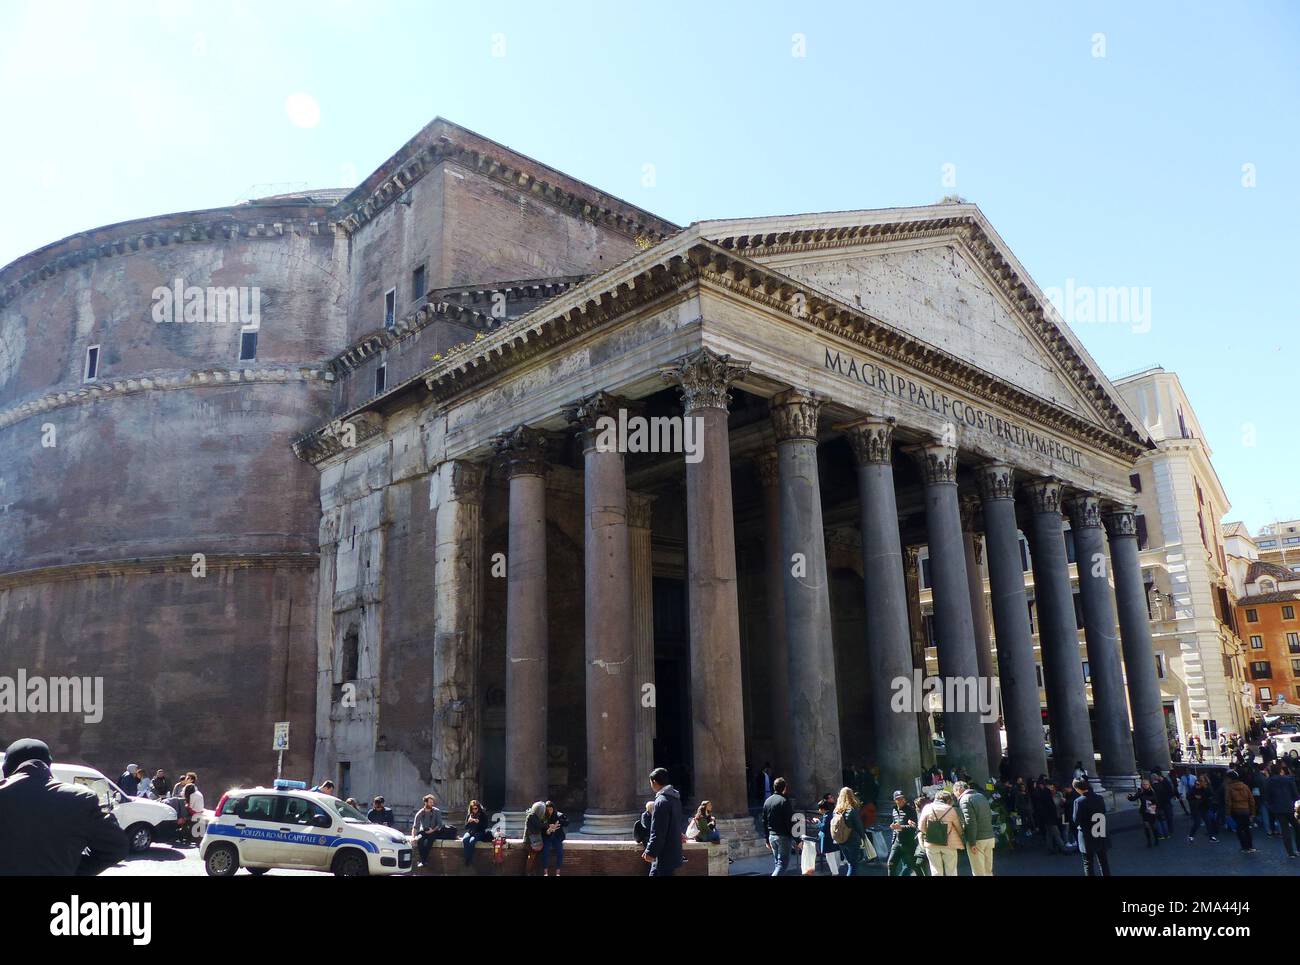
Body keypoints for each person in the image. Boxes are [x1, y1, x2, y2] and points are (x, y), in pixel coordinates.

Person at [0, 738, 128, 875]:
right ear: (48, 764)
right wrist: (72, 868)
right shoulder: (82, 799)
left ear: (8, 767)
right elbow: (116, 848)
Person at [642, 767, 683, 876]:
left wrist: (650, 852)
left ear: (654, 782)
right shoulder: (675, 799)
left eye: (650, 782)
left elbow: (658, 831)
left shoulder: (660, 802)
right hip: (674, 853)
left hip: (662, 856)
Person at [918, 789, 964, 876]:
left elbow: (921, 827)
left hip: (931, 843)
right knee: (951, 871)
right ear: (948, 800)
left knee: (935, 870)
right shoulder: (950, 809)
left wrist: (932, 833)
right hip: (949, 844)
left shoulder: (927, 808)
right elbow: (959, 828)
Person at [955, 781, 996, 875]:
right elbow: (989, 815)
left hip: (977, 839)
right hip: (989, 836)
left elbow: (970, 822)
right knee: (988, 870)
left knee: (979, 871)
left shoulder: (965, 800)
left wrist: (972, 842)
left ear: (959, 790)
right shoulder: (981, 796)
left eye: (955, 793)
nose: (955, 796)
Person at [1072, 778, 1110, 876]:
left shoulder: (1079, 801)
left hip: (1087, 834)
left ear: (1077, 788)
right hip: (1100, 831)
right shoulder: (1099, 798)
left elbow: (1076, 819)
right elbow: (1103, 811)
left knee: (1088, 863)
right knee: (1103, 862)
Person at [761, 775, 796, 876]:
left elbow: (764, 821)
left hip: (772, 837)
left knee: (778, 864)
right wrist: (797, 840)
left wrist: (766, 839)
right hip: (783, 837)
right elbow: (790, 822)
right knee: (781, 865)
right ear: (784, 788)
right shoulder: (784, 801)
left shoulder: (767, 801)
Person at [1263, 764, 1299, 858]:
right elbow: (1295, 795)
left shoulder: (1269, 782)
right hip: (1289, 807)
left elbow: (1267, 797)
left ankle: (1290, 852)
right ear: (1281, 770)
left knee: (1285, 830)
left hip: (1278, 809)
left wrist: (1272, 806)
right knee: (1297, 827)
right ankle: (1298, 847)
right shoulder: (1289, 780)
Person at [886, 790, 924, 876]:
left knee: (914, 866)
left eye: (902, 798)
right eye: (898, 799)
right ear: (895, 800)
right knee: (890, 864)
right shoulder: (894, 810)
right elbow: (894, 825)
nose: (901, 800)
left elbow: (914, 827)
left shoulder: (910, 810)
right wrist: (893, 840)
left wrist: (901, 827)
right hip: (897, 842)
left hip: (908, 842)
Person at [832, 786, 868, 876]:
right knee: (853, 865)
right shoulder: (852, 810)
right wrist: (864, 837)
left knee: (849, 863)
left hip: (841, 841)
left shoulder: (836, 811)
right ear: (851, 796)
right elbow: (859, 826)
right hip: (852, 841)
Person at [1223, 770, 1257, 853]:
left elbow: (1228, 802)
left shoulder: (1229, 788)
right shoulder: (1245, 786)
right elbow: (1251, 800)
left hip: (1236, 811)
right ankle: (1250, 846)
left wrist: (1227, 813)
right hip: (1246, 810)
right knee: (1247, 829)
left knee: (1239, 829)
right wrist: (1253, 812)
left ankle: (1244, 847)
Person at [1128, 778, 1162, 847]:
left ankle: (1156, 840)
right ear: (1141, 785)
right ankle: (1149, 841)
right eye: (1143, 784)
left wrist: (1147, 799)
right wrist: (1130, 797)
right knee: (1146, 826)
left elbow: (1155, 800)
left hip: (1152, 809)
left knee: (1153, 826)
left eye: (1146, 784)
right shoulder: (1141, 792)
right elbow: (1134, 798)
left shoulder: (1152, 791)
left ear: (1149, 785)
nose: (1145, 785)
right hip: (1144, 810)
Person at [412, 794, 444, 867]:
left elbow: (439, 824)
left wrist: (432, 830)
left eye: (432, 802)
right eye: (430, 802)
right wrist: (413, 837)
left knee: (429, 842)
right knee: (419, 841)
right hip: (423, 831)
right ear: (425, 803)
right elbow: (415, 827)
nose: (432, 804)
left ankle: (423, 861)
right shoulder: (420, 813)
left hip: (434, 830)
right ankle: (423, 861)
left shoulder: (437, 811)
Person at [459, 799, 492, 866]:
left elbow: (485, 826)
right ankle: (467, 857)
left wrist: (479, 822)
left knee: (472, 841)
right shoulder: (470, 815)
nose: (474, 810)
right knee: (465, 840)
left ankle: (468, 859)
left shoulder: (483, 815)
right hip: (470, 832)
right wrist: (469, 822)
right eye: (473, 809)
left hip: (479, 832)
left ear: (478, 808)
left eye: (476, 808)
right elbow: (465, 827)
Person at [814, 798, 842, 875]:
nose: (819, 810)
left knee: (829, 857)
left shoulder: (826, 817)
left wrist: (818, 822)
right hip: (835, 839)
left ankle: (835, 872)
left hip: (828, 840)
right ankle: (837, 870)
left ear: (822, 809)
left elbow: (823, 828)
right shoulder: (833, 814)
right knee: (836, 855)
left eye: (819, 808)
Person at [1187, 773, 1218, 842]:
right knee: (1197, 823)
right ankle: (1191, 836)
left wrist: (1204, 790)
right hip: (1197, 807)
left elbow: (1210, 795)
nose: (1200, 782)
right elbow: (1189, 796)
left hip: (1205, 807)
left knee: (1208, 822)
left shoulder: (1208, 787)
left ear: (1205, 781)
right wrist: (1196, 791)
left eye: (1202, 780)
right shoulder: (1196, 787)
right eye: (1199, 780)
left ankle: (1211, 837)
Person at [541, 801, 567, 876]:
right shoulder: (543, 817)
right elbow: (542, 829)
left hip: (557, 837)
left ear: (553, 809)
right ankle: (545, 872)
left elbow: (566, 822)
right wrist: (548, 829)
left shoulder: (558, 815)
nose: (549, 811)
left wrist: (558, 823)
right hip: (547, 837)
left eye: (551, 809)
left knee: (560, 853)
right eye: (547, 810)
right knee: (545, 853)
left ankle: (558, 873)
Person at [1150, 770, 1175, 837]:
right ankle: (1168, 831)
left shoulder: (1153, 786)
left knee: (1159, 819)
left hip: (1159, 803)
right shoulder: (1163, 783)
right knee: (1166, 817)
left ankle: (1161, 833)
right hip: (1165, 802)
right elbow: (1170, 790)